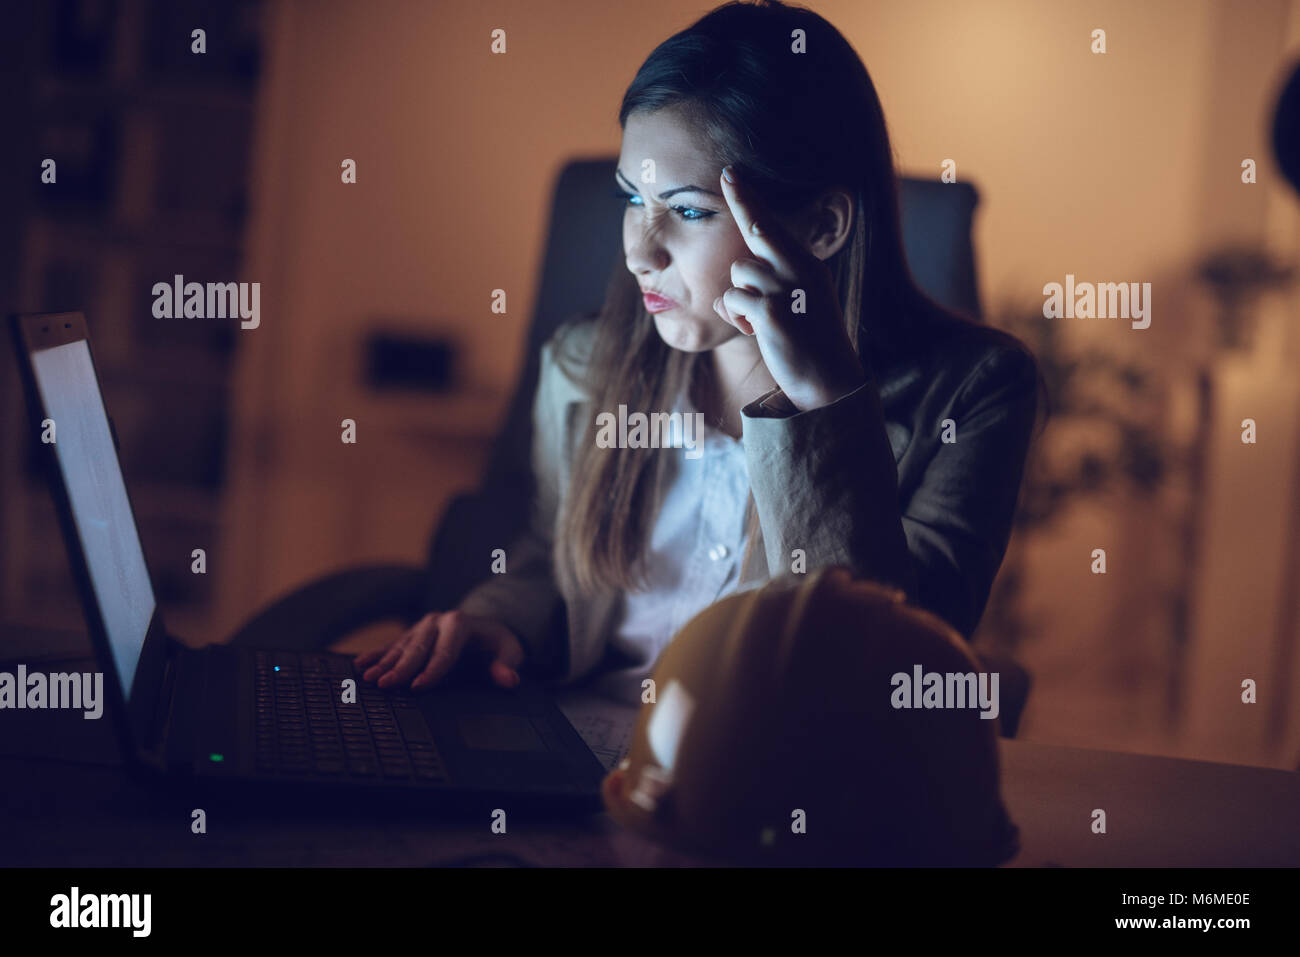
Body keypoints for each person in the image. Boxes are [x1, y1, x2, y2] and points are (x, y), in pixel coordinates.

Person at [357, 0, 1047, 703]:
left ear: (822, 225)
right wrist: (494, 622)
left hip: (780, 785)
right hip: (581, 756)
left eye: (687, 210)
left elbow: (888, 672)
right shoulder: (581, 364)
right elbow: (551, 560)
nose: (639, 251)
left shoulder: (977, 390)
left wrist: (825, 404)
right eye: (633, 198)